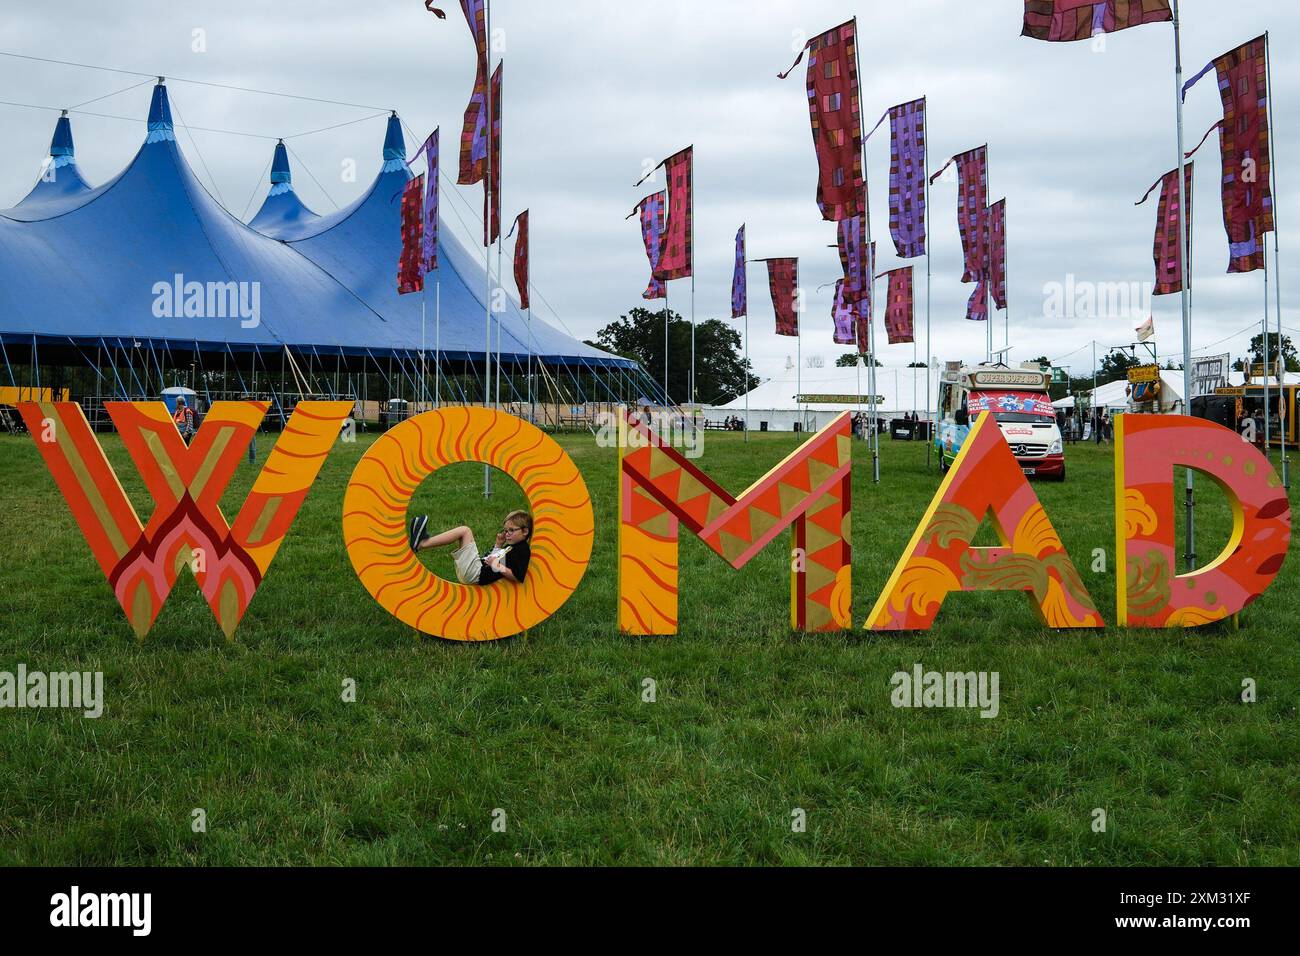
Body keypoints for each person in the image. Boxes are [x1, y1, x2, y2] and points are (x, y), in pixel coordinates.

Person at [408, 510, 532, 586]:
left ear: (525, 531)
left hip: (477, 574)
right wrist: (498, 545)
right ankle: (421, 541)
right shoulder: (512, 546)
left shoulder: (522, 549)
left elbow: (518, 576)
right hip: (477, 571)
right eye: (505, 530)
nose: (507, 534)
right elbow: (496, 561)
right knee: (463, 534)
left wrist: (497, 566)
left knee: (465, 531)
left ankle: (422, 543)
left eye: (511, 530)